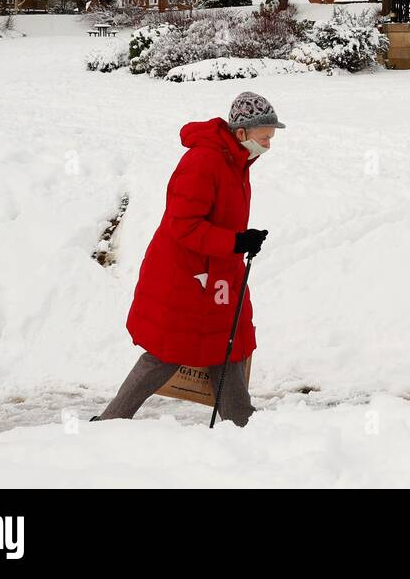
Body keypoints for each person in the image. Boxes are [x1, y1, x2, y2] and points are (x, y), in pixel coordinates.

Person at [93, 91, 283, 426]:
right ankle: (110, 422)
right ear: (242, 133)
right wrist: (235, 241)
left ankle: (242, 422)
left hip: (217, 271)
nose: (268, 145)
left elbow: (218, 217)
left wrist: (241, 241)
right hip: (185, 276)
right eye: (264, 137)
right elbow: (185, 225)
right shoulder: (204, 161)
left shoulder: (236, 161)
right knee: (169, 352)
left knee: (227, 344)